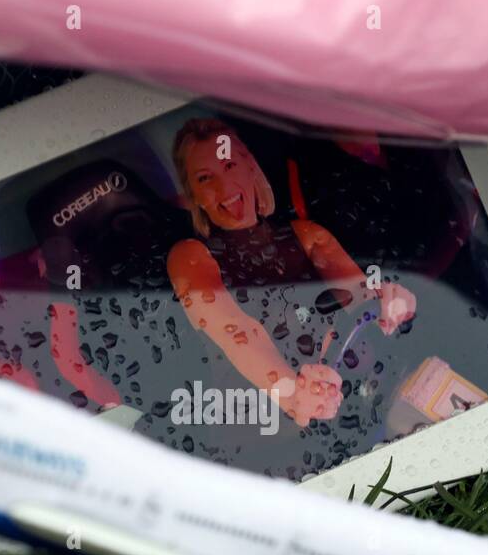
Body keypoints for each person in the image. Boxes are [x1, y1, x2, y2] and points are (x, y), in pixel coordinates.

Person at [167, 118, 417, 428]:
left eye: (230, 166)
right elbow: (238, 333)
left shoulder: (307, 234)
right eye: (205, 179)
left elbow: (363, 297)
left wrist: (390, 300)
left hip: (354, 402)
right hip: (269, 426)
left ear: (249, 166)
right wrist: (292, 395)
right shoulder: (189, 256)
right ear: (193, 196)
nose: (224, 187)